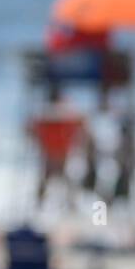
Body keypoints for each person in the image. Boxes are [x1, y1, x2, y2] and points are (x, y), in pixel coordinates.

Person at [32, 83, 84, 211]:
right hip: (51, 151)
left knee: (64, 179)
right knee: (48, 179)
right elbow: (32, 129)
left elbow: (80, 125)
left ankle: (71, 206)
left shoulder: (64, 111)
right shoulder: (46, 113)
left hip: (60, 151)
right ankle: (40, 205)